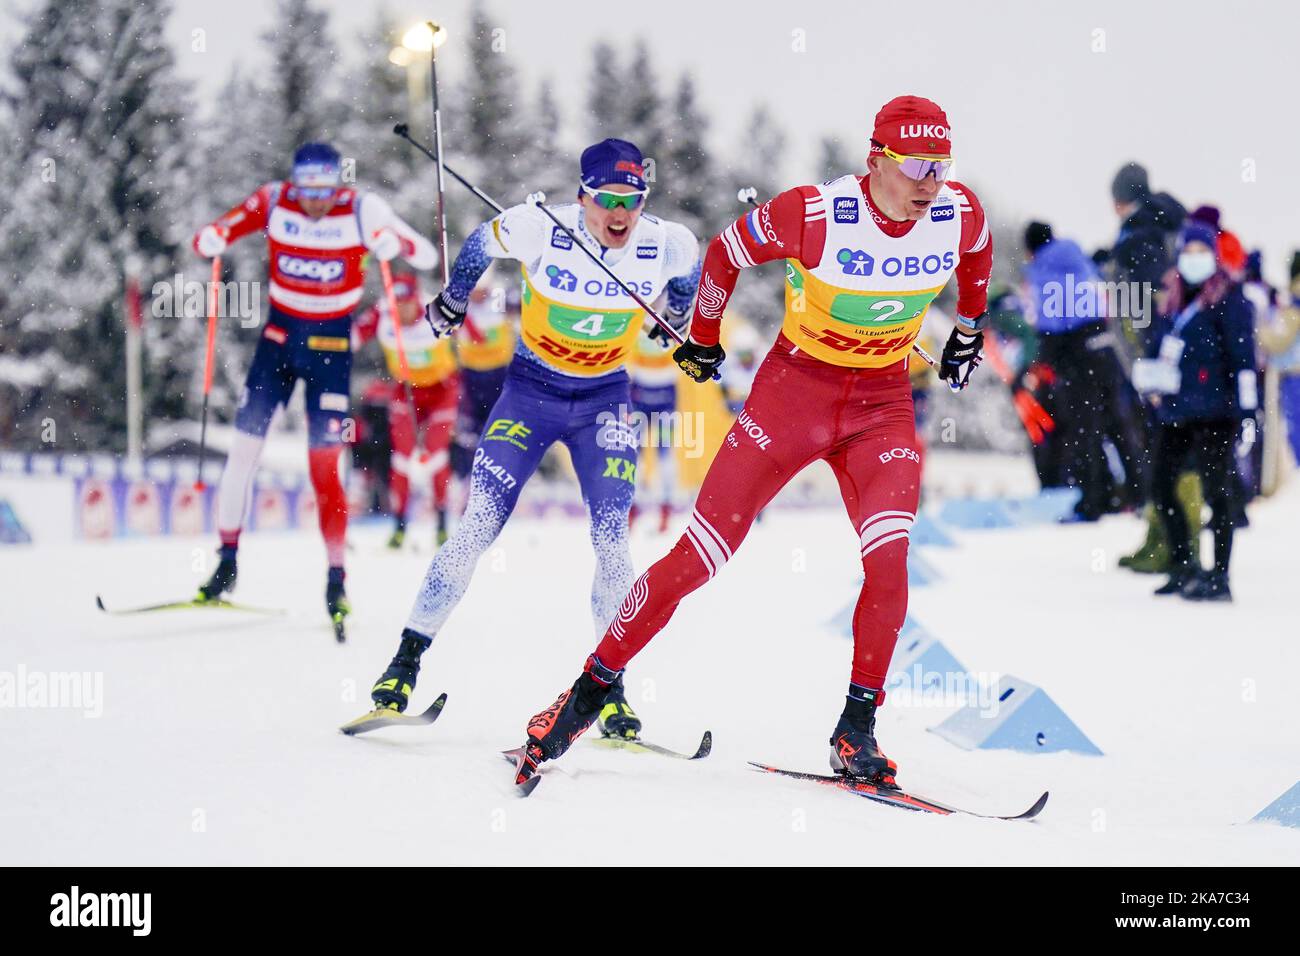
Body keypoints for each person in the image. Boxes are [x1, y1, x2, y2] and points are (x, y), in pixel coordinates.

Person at [513, 95, 992, 786]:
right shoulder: (817, 214)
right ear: (875, 161)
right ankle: (583, 696)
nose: (930, 182)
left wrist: (970, 328)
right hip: (795, 394)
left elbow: (978, 252)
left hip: (881, 407)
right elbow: (725, 250)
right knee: (698, 558)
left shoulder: (956, 211)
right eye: (916, 165)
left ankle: (856, 730)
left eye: (940, 166)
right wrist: (703, 341)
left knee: (889, 564)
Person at [363, 139, 703, 742]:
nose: (619, 215)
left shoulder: (664, 241)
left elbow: (692, 267)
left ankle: (611, 689)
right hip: (530, 393)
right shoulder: (542, 227)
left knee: (612, 543)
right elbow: (478, 243)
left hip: (603, 399)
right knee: (476, 528)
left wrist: (678, 311)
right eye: (606, 202)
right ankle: (403, 665)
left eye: (632, 201)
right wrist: (453, 299)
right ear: (583, 196)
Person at [191, 142, 436, 633]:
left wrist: (394, 243)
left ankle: (335, 576)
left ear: (336, 185)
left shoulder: (363, 209)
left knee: (325, 465)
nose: (315, 203)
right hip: (278, 341)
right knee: (243, 450)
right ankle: (226, 560)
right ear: (295, 183)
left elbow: (426, 254)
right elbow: (213, 234)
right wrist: (214, 237)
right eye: (307, 192)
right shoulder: (274, 200)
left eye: (324, 192)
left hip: (331, 349)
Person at [1132, 221, 1257, 601]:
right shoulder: (1173, 297)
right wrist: (1150, 379)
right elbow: (1159, 346)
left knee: (1217, 493)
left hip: (1216, 411)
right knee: (1160, 485)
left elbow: (1243, 358)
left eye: (1201, 252)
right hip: (1175, 409)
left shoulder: (1230, 299)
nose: (1194, 259)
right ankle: (1184, 564)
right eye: (1188, 251)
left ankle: (1219, 576)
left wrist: (1248, 410)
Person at [1021, 221, 1143, 520]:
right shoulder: (1077, 261)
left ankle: (1092, 502)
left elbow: (1051, 326)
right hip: (1104, 347)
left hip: (1077, 359)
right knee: (1118, 425)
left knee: (1083, 431)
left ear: (1031, 248)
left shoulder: (1043, 271)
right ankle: (1142, 494)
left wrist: (1041, 363)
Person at [352, 270, 460, 548]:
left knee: (436, 453)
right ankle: (399, 524)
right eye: (396, 304)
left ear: (416, 299)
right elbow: (351, 336)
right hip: (407, 389)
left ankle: (441, 521)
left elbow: (466, 318)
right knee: (402, 455)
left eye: (407, 303)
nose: (402, 309)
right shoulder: (382, 314)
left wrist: (456, 305)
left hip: (441, 390)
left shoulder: (435, 309)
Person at [450, 276, 517, 513]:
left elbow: (515, 308)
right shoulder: (459, 301)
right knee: (468, 435)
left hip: (500, 376)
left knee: (498, 434)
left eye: (482, 290)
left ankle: (496, 491)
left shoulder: (499, 296)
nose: (478, 295)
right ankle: (467, 487)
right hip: (470, 378)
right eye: (474, 290)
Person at [627, 320, 680, 533]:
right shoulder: (639, 319)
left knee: (665, 459)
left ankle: (665, 510)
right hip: (640, 397)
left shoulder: (670, 319)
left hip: (664, 400)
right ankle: (632, 510)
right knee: (634, 458)